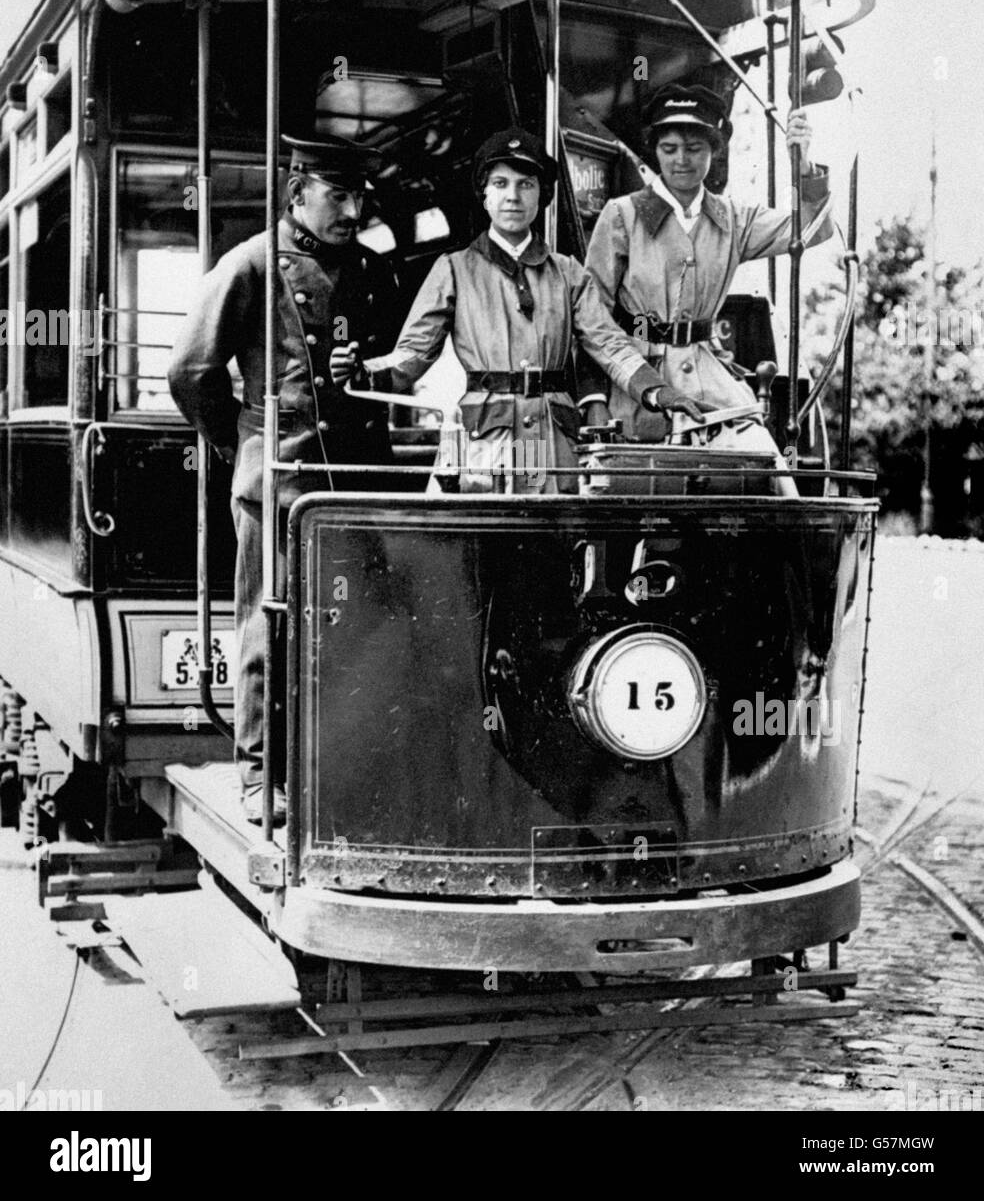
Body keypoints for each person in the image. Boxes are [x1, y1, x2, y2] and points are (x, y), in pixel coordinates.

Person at [168, 135, 402, 825]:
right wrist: (235, 439)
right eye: (338, 196)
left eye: (360, 197)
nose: (353, 211)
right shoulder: (253, 264)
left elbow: (395, 362)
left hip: (360, 475)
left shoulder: (370, 269)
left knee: (360, 632)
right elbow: (190, 371)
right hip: (283, 472)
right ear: (297, 193)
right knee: (269, 628)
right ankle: (259, 775)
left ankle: (346, 773)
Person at [329, 127, 699, 493]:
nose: (513, 197)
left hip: (550, 442)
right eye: (501, 184)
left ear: (542, 196)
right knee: (485, 541)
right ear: (484, 195)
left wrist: (659, 392)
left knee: (546, 541)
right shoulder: (454, 269)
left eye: (526, 185)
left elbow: (609, 344)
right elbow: (413, 354)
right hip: (483, 445)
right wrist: (363, 372)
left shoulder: (568, 272)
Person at [579, 84, 834, 462]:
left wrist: (805, 169)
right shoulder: (622, 216)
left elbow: (814, 230)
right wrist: (594, 401)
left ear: (714, 151)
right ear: (656, 150)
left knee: (766, 469)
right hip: (638, 389)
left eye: (695, 149)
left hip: (714, 388)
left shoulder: (733, 220)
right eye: (669, 149)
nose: (681, 160)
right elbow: (591, 318)